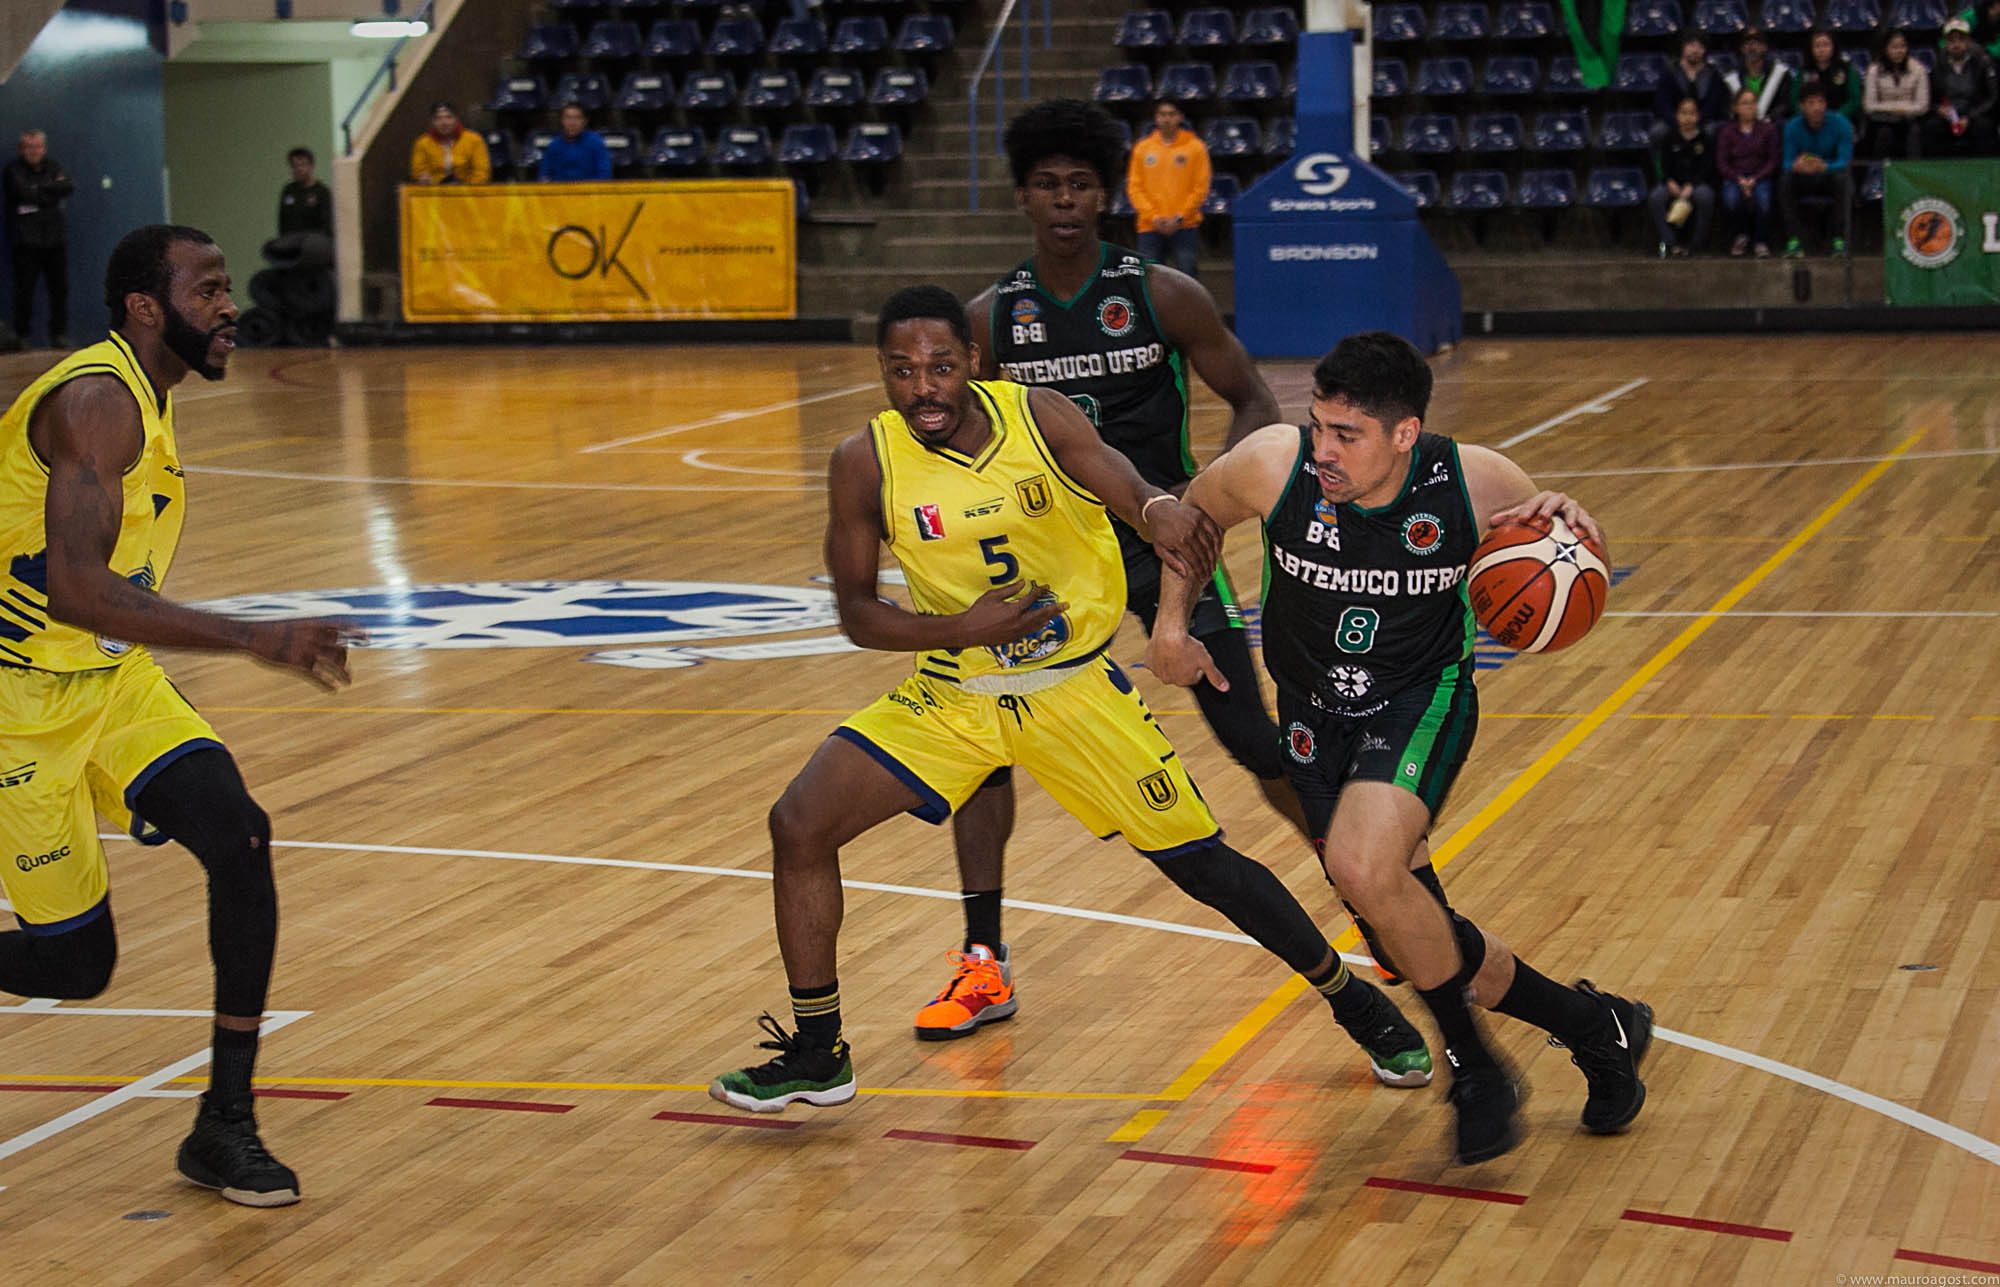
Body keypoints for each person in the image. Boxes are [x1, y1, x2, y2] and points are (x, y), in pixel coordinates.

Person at [706, 288, 1432, 1114]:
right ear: (881, 373)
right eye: (903, 371)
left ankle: (1353, 998)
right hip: (957, 691)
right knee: (798, 822)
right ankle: (817, 1051)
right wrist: (960, 628)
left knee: (1207, 868)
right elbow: (857, 614)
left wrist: (1160, 509)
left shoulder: (1038, 416)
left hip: (1072, 690)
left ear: (973, 362)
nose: (924, 387)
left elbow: (1124, 486)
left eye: (942, 366)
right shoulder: (864, 460)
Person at [931, 100, 1429, 1080]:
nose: (1065, 200)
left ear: (1106, 192)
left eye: (1080, 183)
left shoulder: (1160, 294)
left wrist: (1226, 482)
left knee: (1251, 740)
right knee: (982, 740)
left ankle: (1377, 895)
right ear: (1023, 194)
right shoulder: (993, 319)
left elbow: (1248, 395)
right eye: (1048, 184)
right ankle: (981, 959)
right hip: (1053, 568)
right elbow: (962, 436)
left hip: (1167, 543)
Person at [1146, 331, 1653, 1166]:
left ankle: (1477, 1070)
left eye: (1348, 435)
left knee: (1363, 867)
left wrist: (1564, 518)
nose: (1325, 450)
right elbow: (1189, 517)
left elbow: (1548, 534)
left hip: (1420, 699)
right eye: (1320, 426)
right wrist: (1171, 623)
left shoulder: (1474, 480)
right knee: (1404, 930)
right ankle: (1594, 1025)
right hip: (1313, 715)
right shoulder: (1273, 465)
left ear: (1406, 434)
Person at [0, 225, 359, 1205]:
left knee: (240, 839)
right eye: (208, 288)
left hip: (110, 682)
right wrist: (253, 639)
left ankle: (224, 1125)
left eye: (227, 283)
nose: (230, 305)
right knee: (76, 966)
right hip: (17, 701)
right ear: (145, 308)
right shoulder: (95, 402)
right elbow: (75, 586)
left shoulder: (147, 398)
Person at [4, 130, 74, 349]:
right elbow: (22, 193)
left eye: (37, 147)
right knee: (25, 290)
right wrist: (49, 191)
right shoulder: (12, 170)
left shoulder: (53, 166)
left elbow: (67, 186)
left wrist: (39, 190)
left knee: (59, 289)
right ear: (21, 149)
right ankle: (21, 336)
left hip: (54, 240)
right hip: (26, 242)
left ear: (43, 148)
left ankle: (58, 335)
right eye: (29, 147)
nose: (34, 152)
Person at [1126, 99, 1211, 278]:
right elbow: (1135, 187)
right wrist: (1153, 217)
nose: (1167, 119)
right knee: (1150, 280)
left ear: (1180, 117)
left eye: (1171, 114)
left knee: (1188, 279)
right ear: (1156, 118)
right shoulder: (1143, 148)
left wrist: (1180, 217)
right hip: (1149, 226)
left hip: (1184, 225)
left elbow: (1200, 187)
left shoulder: (1195, 147)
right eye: (1162, 114)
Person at [1780, 82, 1856, 257]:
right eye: (1811, 103)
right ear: (1801, 106)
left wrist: (1824, 166)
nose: (1817, 108)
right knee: (1785, 181)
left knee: (1843, 180)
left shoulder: (1841, 123)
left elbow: (1845, 161)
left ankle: (1839, 241)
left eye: (1820, 102)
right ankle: (1794, 241)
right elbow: (1786, 162)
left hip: (1829, 175)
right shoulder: (1792, 127)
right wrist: (1797, 166)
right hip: (1804, 177)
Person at [1648, 97, 1717, 257]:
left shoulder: (1705, 139)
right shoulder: (1669, 138)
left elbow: (1707, 168)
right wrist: (1669, 182)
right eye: (1684, 113)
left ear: (1698, 116)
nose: (1687, 117)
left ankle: (1696, 244)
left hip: (1696, 185)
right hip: (1672, 184)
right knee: (1656, 197)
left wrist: (1691, 185)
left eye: (1691, 113)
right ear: (1677, 115)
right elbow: (1663, 165)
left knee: (1705, 196)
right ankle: (1671, 243)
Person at [1717, 88, 1781, 257]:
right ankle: (1741, 236)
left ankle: (1761, 241)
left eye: (1753, 102)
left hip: (1760, 177)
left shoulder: (1768, 130)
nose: (1749, 107)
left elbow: (1773, 160)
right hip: (1735, 177)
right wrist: (1739, 179)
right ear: (1736, 107)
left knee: (1763, 199)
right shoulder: (1727, 132)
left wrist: (1755, 179)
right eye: (1744, 103)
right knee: (1731, 200)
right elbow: (1722, 162)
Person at [1924, 18, 1999, 156]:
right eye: (1951, 40)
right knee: (1932, 127)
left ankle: (1983, 173)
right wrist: (1938, 109)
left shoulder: (1982, 63)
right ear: (1945, 43)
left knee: (1984, 127)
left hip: (1974, 114)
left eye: (1961, 39)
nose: (1956, 44)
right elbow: (1930, 98)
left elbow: (1992, 98)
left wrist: (1970, 117)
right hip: (1948, 117)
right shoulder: (1938, 65)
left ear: (1968, 42)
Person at [1862, 29, 1930, 158]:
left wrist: (1895, 108)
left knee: (1915, 132)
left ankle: (1914, 174)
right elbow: (1869, 106)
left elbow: (1923, 106)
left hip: (1910, 119)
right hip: (1883, 120)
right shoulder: (1874, 70)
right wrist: (1896, 109)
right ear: (1885, 49)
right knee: (1884, 133)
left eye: (1903, 46)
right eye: (1894, 47)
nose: (1899, 51)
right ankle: (1879, 173)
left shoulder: (1918, 69)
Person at [1654, 35, 1732, 134]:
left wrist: (1696, 121)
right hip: (1675, 120)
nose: (1695, 50)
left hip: (1703, 121)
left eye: (1700, 47)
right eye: (1691, 45)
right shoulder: (1669, 72)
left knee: (1711, 130)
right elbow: (1663, 103)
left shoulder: (1712, 74)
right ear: (1683, 47)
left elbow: (1713, 104)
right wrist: (1678, 121)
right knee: (1658, 131)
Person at [409, 101, 491, 185]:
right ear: (432, 122)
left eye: (449, 117)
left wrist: (466, 187)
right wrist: (423, 177)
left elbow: (482, 172)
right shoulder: (422, 143)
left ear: (456, 119)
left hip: (467, 191)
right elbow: (418, 171)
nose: (444, 123)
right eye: (438, 118)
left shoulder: (474, 139)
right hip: (434, 191)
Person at [1725, 27, 1794, 121]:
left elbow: (1785, 104)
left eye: (1756, 43)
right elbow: (1728, 108)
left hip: (1771, 124)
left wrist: (1769, 118)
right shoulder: (1732, 78)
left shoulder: (1780, 73)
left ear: (1765, 47)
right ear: (1741, 49)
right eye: (1747, 43)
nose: (1752, 47)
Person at [1794, 30, 1862, 122]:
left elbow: (1854, 100)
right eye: (1817, 46)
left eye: (1826, 45)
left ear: (1833, 47)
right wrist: (1808, 115)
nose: (1821, 50)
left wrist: (1836, 116)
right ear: (1811, 49)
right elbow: (1795, 99)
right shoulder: (1804, 71)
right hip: (1809, 120)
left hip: (1840, 119)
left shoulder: (1846, 69)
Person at [537, 102, 612, 182]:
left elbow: (604, 175)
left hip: (590, 192)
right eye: (568, 118)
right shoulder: (553, 146)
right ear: (562, 121)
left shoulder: (596, 143)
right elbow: (544, 175)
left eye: (577, 118)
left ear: (584, 121)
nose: (572, 123)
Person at [278, 147, 332, 238]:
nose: (299, 169)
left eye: (302, 165)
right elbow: (282, 220)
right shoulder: (288, 190)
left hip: (313, 242)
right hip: (291, 241)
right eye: (294, 166)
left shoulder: (322, 192)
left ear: (311, 166)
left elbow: (327, 225)